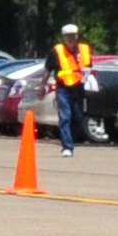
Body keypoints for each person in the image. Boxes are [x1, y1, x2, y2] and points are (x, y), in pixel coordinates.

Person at [49, 22, 92, 153]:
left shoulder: (84, 49)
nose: (70, 39)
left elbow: (89, 67)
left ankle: (70, 140)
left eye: (73, 36)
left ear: (77, 36)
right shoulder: (57, 50)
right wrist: (42, 86)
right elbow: (47, 69)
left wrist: (90, 79)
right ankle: (67, 147)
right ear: (63, 37)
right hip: (63, 88)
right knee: (65, 117)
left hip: (79, 88)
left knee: (78, 117)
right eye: (67, 36)